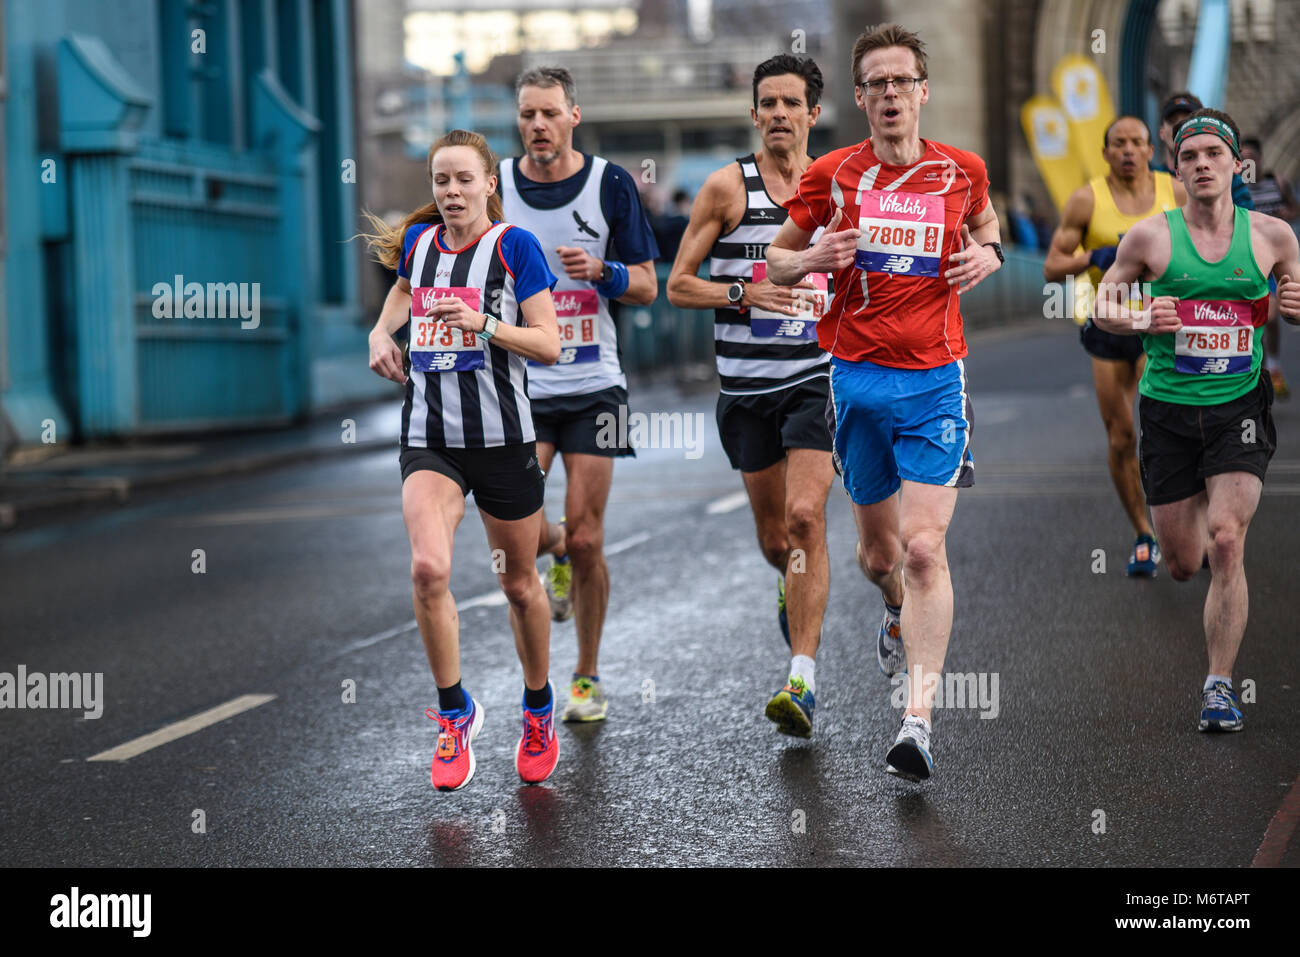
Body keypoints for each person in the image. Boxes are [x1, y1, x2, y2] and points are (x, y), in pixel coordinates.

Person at [767, 23, 1004, 780]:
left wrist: (990, 254)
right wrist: (814, 256)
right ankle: (894, 606)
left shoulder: (962, 170)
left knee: (925, 547)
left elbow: (987, 225)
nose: (892, 94)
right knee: (880, 556)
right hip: (856, 381)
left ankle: (917, 722)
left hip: (936, 379)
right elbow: (777, 259)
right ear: (861, 97)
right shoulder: (833, 174)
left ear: (923, 91)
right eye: (878, 84)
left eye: (903, 81)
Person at [362, 129, 563, 790]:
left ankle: (538, 707)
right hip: (431, 439)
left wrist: (485, 325)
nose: (451, 191)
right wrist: (380, 333)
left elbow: (550, 344)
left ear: (489, 184)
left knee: (519, 585)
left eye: (464, 179)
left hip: (504, 442)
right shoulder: (420, 244)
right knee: (428, 569)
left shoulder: (514, 247)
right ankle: (455, 713)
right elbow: (402, 291)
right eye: (441, 181)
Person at [1093, 109, 1300, 732]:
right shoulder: (1149, 239)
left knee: (1228, 541)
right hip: (1168, 413)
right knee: (1183, 561)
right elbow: (1102, 306)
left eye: (1214, 153)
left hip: (1239, 407)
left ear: (1238, 165)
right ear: (1175, 168)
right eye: (1190, 156)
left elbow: (1295, 298)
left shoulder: (1273, 236)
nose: (1203, 164)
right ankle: (1201, 519)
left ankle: (1218, 688)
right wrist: (1139, 319)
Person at [666, 54, 836, 738]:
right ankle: (787, 582)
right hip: (745, 388)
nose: (778, 114)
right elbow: (679, 285)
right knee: (776, 540)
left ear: (813, 113)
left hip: (815, 378)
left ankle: (802, 679)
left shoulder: (837, 185)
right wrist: (745, 292)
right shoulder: (725, 189)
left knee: (805, 517)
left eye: (790, 103)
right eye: (767, 103)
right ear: (754, 113)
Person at [499, 67, 660, 724]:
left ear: (574, 115)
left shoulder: (609, 184)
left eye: (549, 113)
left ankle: (586, 678)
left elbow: (648, 285)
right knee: (521, 539)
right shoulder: (494, 187)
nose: (538, 125)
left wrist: (602, 271)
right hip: (519, 386)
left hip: (596, 386)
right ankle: (556, 547)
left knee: (591, 537)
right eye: (527, 114)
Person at [1044, 116, 1186, 576]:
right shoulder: (1087, 199)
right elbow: (1052, 266)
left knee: (1169, 427)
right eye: (1118, 143)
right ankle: (1144, 534)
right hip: (1108, 325)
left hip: (1159, 325)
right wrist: (1094, 256)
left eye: (1136, 142)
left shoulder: (1175, 193)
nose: (1127, 150)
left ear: (1150, 150)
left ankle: (1184, 524)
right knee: (1122, 436)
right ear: (1105, 152)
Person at [1241, 136, 1300, 399]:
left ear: (1260, 159)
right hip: (1247, 263)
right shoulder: (1236, 188)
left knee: (1272, 317)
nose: (1248, 163)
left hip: (1274, 262)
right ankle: (1261, 372)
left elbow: (1295, 208)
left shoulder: (1277, 183)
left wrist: (1288, 214)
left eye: (1252, 158)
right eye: (1243, 158)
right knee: (1257, 322)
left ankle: (1273, 366)